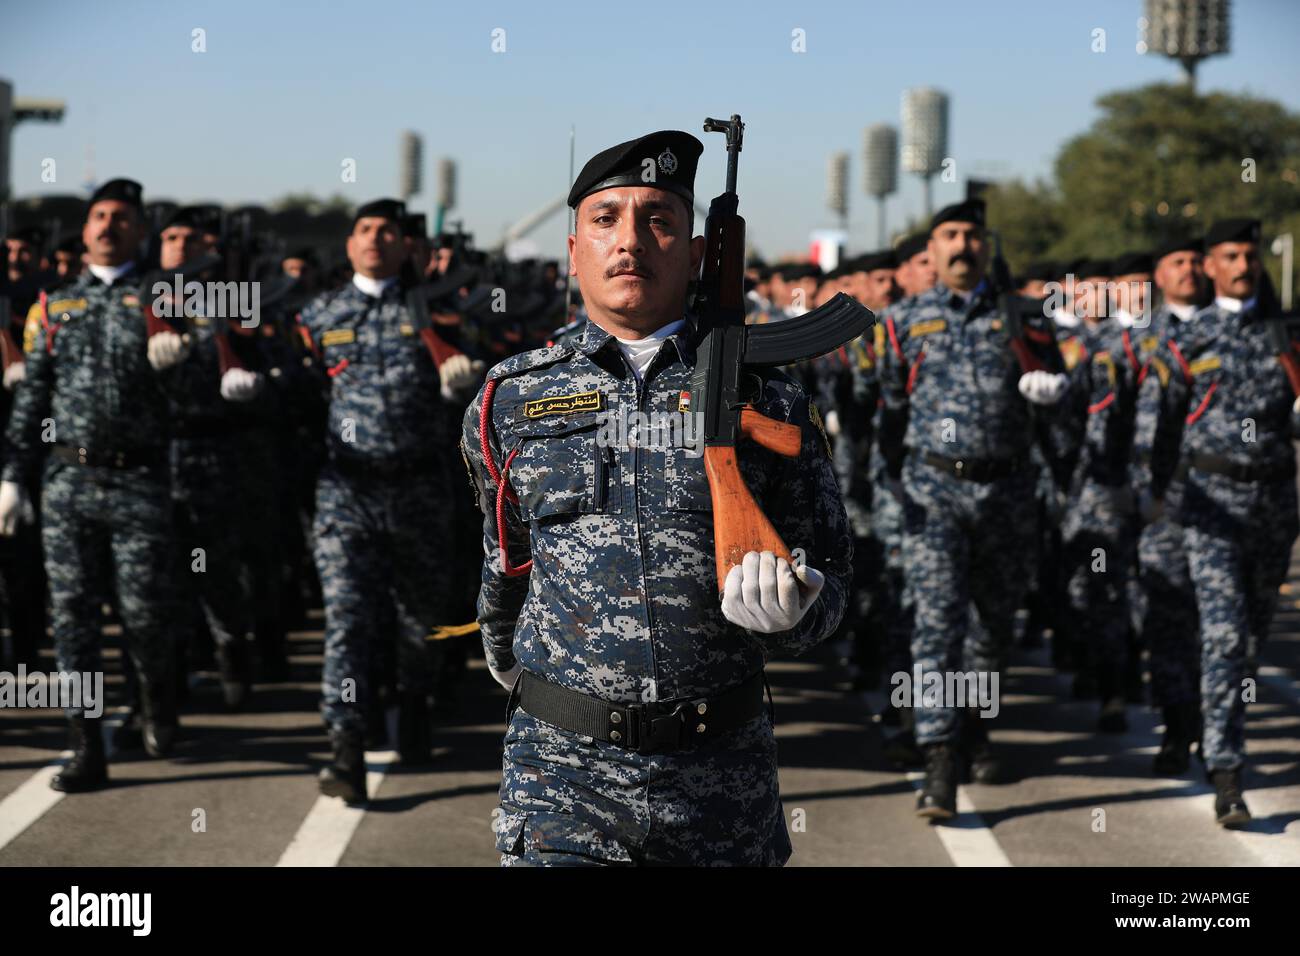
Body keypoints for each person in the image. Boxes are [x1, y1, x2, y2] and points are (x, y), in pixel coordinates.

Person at [461, 130, 852, 865]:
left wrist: (797, 606)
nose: (630, 241)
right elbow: (504, 555)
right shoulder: (510, 398)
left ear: (699, 254)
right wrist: (500, 651)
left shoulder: (768, 395)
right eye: (606, 220)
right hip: (562, 786)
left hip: (720, 787)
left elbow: (833, 577)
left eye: (659, 220)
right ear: (574, 253)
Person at [876, 198, 1069, 820]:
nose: (962, 245)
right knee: (937, 625)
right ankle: (939, 759)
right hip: (935, 492)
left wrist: (1053, 403)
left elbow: (1061, 417)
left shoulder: (1028, 318)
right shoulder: (904, 320)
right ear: (931, 250)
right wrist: (895, 488)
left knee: (991, 629)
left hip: (1008, 493)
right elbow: (886, 411)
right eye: (950, 235)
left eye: (972, 235)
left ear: (988, 245)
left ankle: (975, 726)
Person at [0, 178, 193, 791]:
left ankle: (156, 702)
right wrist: (12, 474)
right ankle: (86, 745)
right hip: (68, 479)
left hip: (139, 479)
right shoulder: (53, 307)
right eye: (98, 217)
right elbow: (32, 396)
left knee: (144, 615)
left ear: (140, 230)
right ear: (84, 231)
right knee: (74, 621)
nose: (107, 226)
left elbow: (200, 400)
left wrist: (184, 365)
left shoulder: (167, 301)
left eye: (120, 218)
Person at [298, 198, 480, 802]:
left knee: (418, 621)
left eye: (388, 232)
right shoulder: (320, 315)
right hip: (347, 491)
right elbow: (296, 404)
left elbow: (485, 400)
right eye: (364, 230)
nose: (375, 239)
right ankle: (345, 749)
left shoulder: (443, 314)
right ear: (349, 244)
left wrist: (466, 385)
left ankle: (415, 703)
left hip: (419, 489)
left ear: (408, 247)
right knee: (348, 620)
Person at [1133, 218, 1297, 826]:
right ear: (1210, 264)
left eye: (1250, 254)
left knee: (1248, 641)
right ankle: (1226, 769)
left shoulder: (1288, 332)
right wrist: (1153, 501)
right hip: (1209, 506)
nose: (1242, 263)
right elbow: (1159, 426)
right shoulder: (1187, 339)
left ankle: (1213, 724)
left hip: (1275, 504)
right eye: (1229, 255)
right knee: (1223, 635)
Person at [1134, 236, 1206, 775]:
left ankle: (1213, 719)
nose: (1190, 269)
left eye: (1195, 261)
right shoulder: (1138, 340)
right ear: (1160, 274)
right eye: (1177, 260)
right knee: (1169, 617)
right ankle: (1178, 728)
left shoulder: (1227, 332)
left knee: (1227, 628)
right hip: (1162, 502)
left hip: (1224, 503)